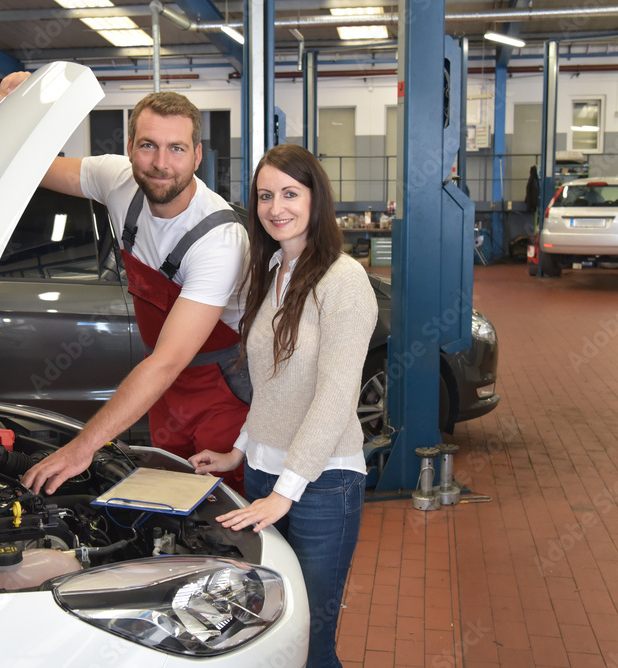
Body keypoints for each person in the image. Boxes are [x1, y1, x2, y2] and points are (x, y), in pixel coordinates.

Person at [0, 71, 250, 496]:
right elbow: (34, 168)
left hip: (221, 390)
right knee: (172, 496)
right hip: (164, 389)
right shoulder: (117, 181)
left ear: (198, 155)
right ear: (130, 148)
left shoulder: (218, 240)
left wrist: (83, 448)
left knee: (224, 511)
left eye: (177, 149)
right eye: (148, 145)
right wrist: (19, 111)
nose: (161, 163)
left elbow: (167, 361)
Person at [189, 143, 378, 668]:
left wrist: (286, 492)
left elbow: (337, 396)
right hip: (262, 476)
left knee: (312, 643)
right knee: (272, 632)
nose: (277, 208)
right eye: (266, 196)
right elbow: (271, 387)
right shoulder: (271, 270)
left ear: (317, 198)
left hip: (322, 484)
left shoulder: (344, 280)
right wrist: (239, 451)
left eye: (290, 193)